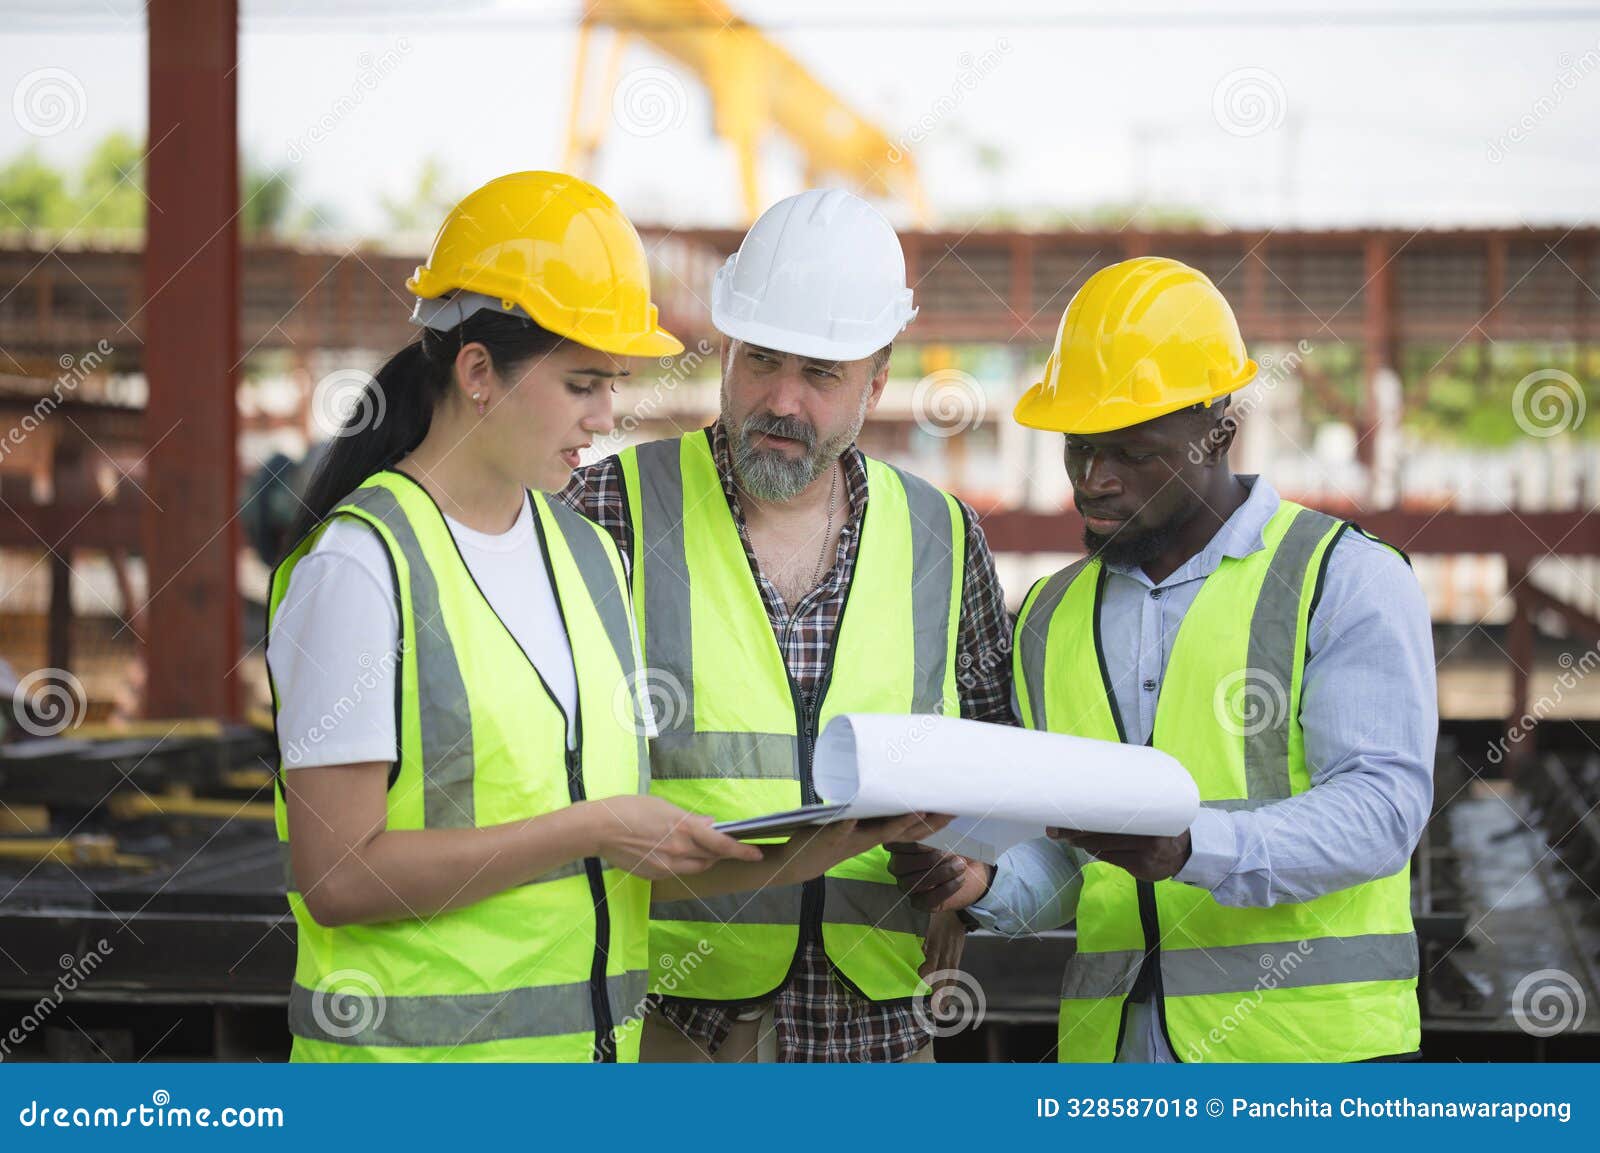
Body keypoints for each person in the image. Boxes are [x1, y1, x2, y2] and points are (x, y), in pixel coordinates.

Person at [267, 171, 942, 1063]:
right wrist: (589, 830)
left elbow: (616, 872)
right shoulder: (364, 567)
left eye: (613, 383)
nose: (606, 415)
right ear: (478, 372)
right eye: (584, 383)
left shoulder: (587, 557)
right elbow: (338, 876)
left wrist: (825, 847)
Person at [889, 256, 1436, 1062]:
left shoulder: (1342, 577)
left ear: (1219, 434)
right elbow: (1071, 857)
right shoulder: (1048, 617)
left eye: (1132, 452)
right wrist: (989, 882)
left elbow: (1383, 811)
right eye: (1079, 447)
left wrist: (1192, 848)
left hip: (1313, 1063)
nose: (1094, 480)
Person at [560, 188, 1012, 1062]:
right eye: (761, 360)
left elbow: (999, 751)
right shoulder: (608, 508)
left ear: (877, 380)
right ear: (725, 349)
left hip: (880, 1034)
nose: (783, 400)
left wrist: (978, 870)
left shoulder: (943, 537)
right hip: (676, 1024)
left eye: (821, 374)